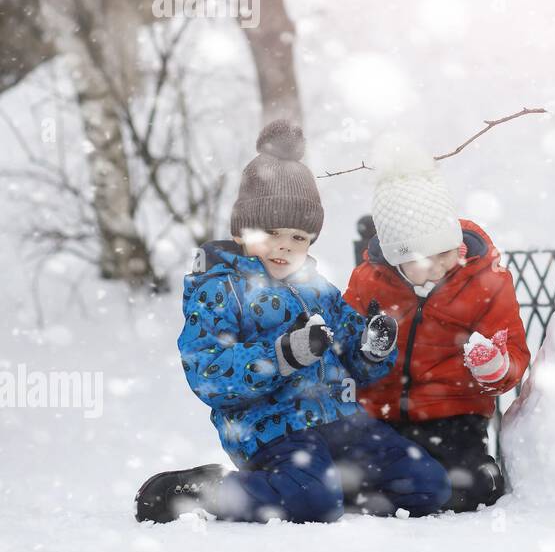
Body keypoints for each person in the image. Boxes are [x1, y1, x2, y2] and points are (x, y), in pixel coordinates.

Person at [134, 120, 451, 524]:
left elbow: (357, 358)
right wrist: (283, 355)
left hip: (339, 420)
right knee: (312, 504)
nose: (286, 245)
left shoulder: (317, 288)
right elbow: (207, 373)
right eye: (272, 232)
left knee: (428, 485)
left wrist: (372, 347)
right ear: (242, 230)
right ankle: (209, 492)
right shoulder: (219, 290)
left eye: (299, 237)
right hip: (271, 429)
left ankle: (324, 489)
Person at [344, 143, 529, 513]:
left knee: (464, 489)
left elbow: (513, 357)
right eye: (423, 260)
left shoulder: (485, 279)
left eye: (446, 251)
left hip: (454, 413)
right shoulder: (370, 281)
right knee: (353, 480)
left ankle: (465, 479)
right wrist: (365, 351)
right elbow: (344, 349)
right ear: (397, 257)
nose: (441, 265)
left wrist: (493, 367)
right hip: (381, 414)